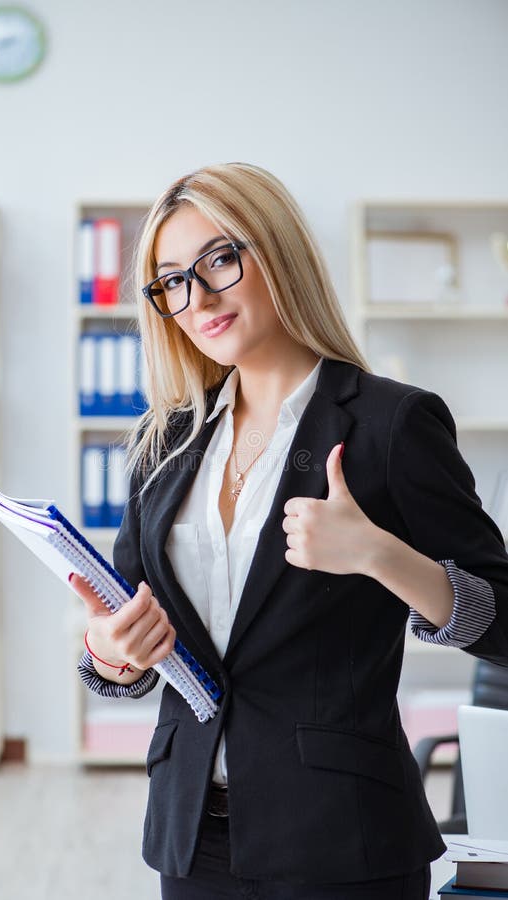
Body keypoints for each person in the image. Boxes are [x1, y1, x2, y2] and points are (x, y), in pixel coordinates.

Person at [70, 162, 508, 899]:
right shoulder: (165, 441)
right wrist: (109, 653)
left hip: (342, 837)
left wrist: (379, 555)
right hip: (192, 835)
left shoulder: (390, 424)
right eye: (172, 281)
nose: (199, 298)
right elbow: (131, 634)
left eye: (218, 260)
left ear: (276, 249)